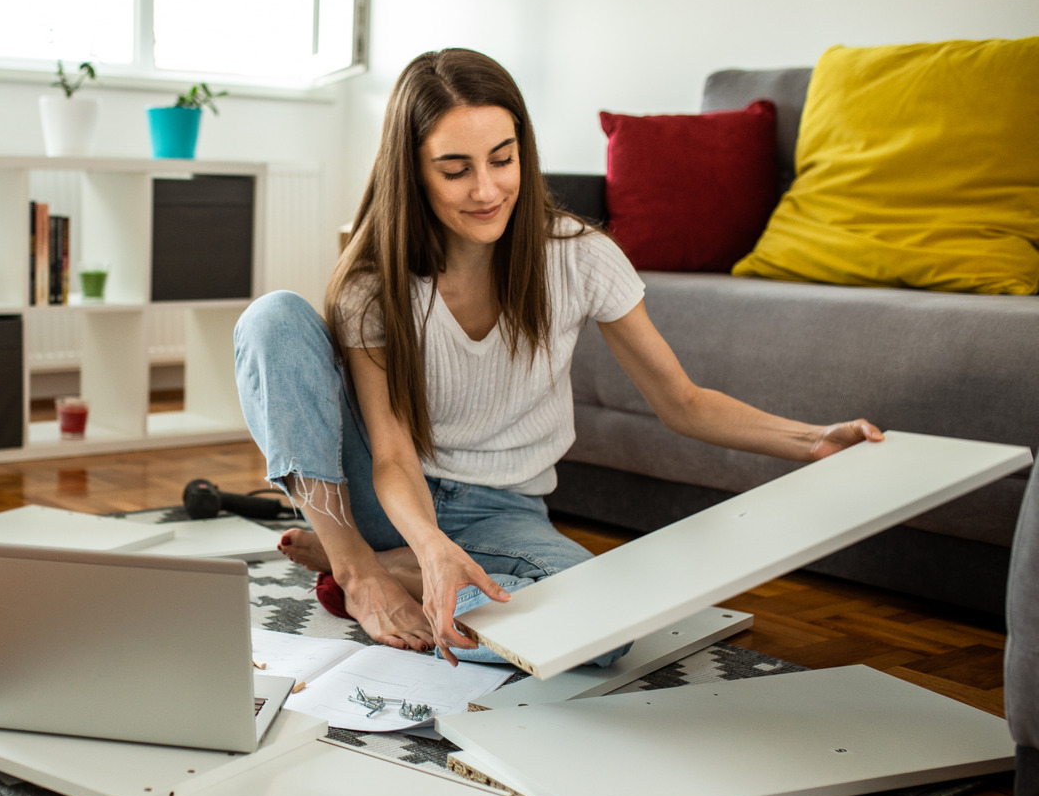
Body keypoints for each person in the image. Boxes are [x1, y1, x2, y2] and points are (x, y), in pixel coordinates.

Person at [232, 48, 883, 667]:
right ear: (413, 172)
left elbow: (681, 402)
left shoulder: (578, 255)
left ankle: (396, 566)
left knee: (601, 635)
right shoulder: (375, 284)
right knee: (273, 318)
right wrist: (429, 541)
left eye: (503, 159)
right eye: (456, 169)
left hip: (503, 510)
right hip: (386, 494)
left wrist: (812, 439)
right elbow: (394, 456)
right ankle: (357, 566)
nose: (487, 189)